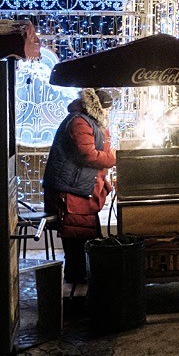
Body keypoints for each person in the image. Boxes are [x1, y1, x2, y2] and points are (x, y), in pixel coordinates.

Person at [42, 88, 116, 297]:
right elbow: (88, 155)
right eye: (108, 110)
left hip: (79, 187)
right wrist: (114, 158)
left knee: (84, 233)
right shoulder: (79, 122)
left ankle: (82, 276)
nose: (109, 114)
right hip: (70, 189)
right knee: (76, 234)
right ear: (99, 108)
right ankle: (76, 280)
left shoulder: (89, 121)